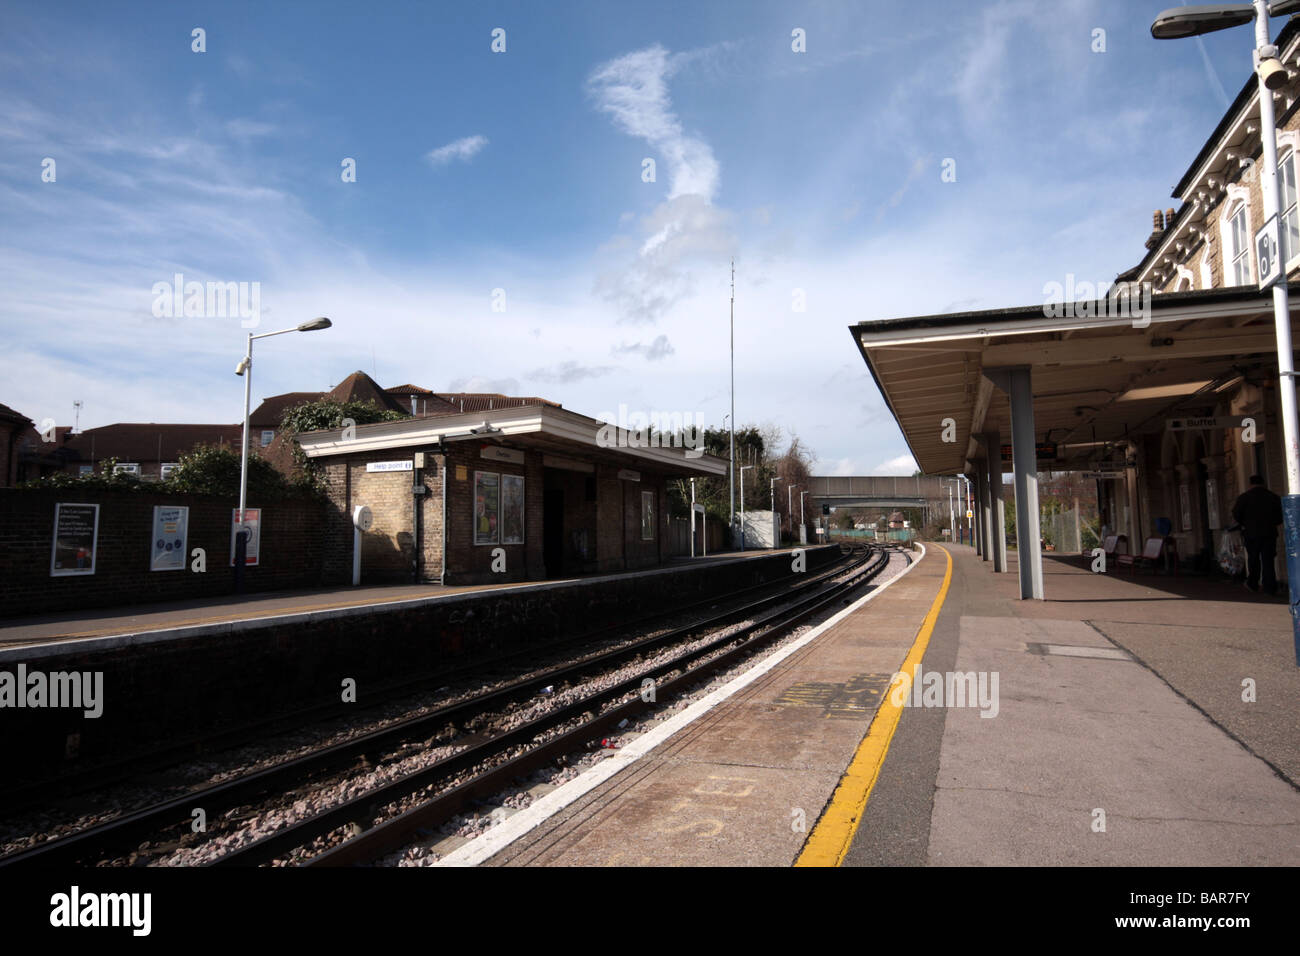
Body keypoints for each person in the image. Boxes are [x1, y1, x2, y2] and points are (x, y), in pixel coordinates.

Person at [1231, 475, 1284, 596]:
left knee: (1253, 559)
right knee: (1268, 560)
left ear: (1250, 484)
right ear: (1263, 483)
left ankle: (1253, 583)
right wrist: (1272, 523)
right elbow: (1280, 516)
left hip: (1251, 533)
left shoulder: (1244, 498)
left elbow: (1236, 514)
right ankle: (1269, 587)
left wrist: (1245, 523)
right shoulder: (1273, 497)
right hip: (1269, 533)